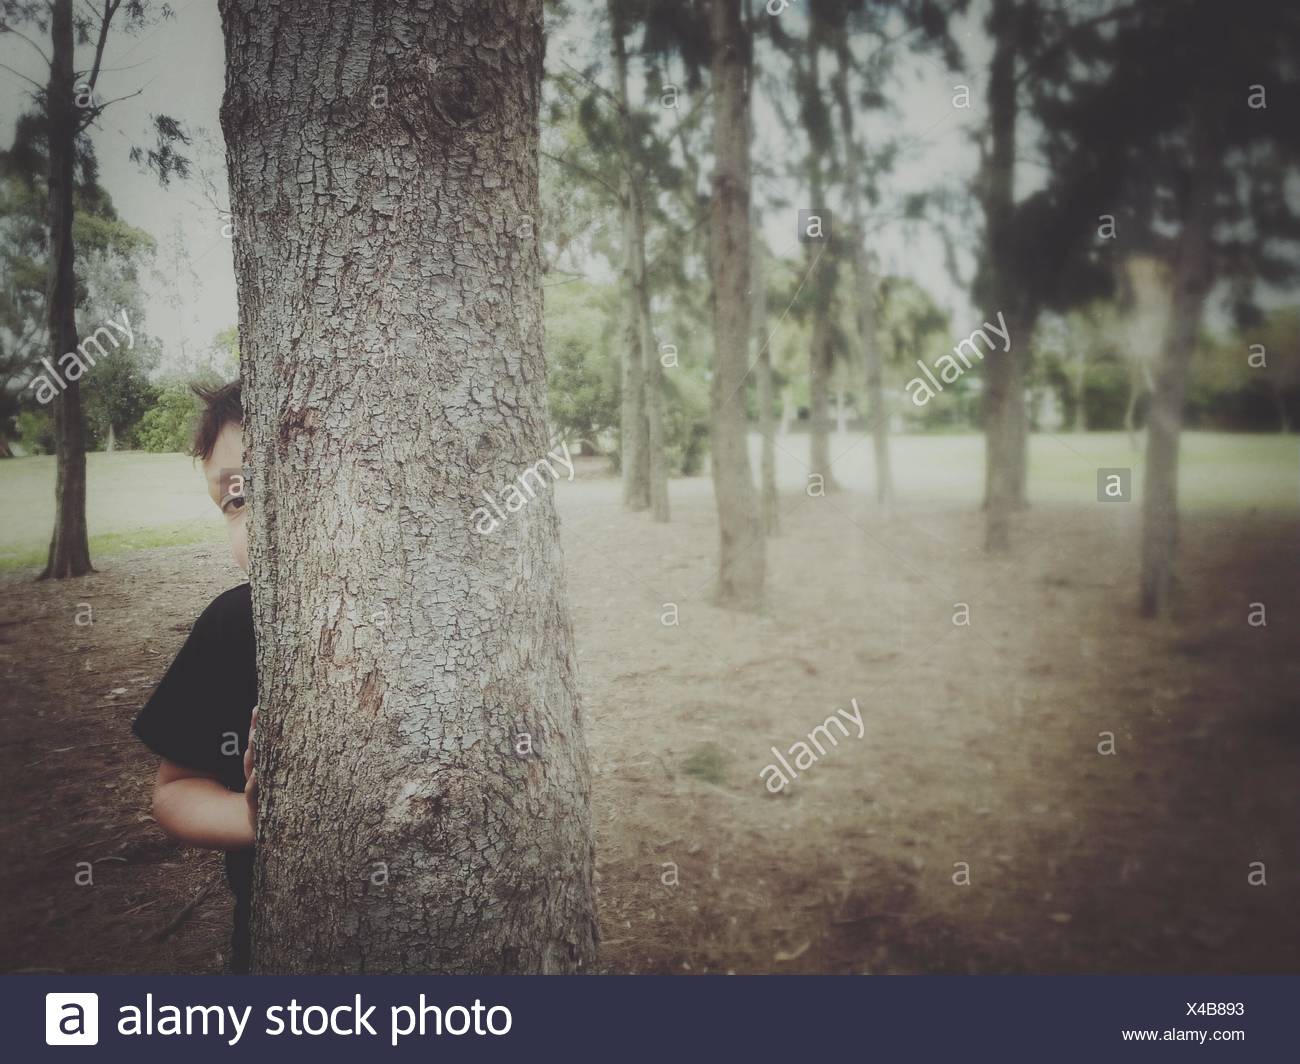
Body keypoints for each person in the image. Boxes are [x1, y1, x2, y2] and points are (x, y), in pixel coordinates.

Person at [130, 380, 258, 973]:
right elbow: (174, 791)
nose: (253, 516)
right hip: (274, 933)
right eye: (234, 499)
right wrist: (248, 818)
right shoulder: (235, 624)